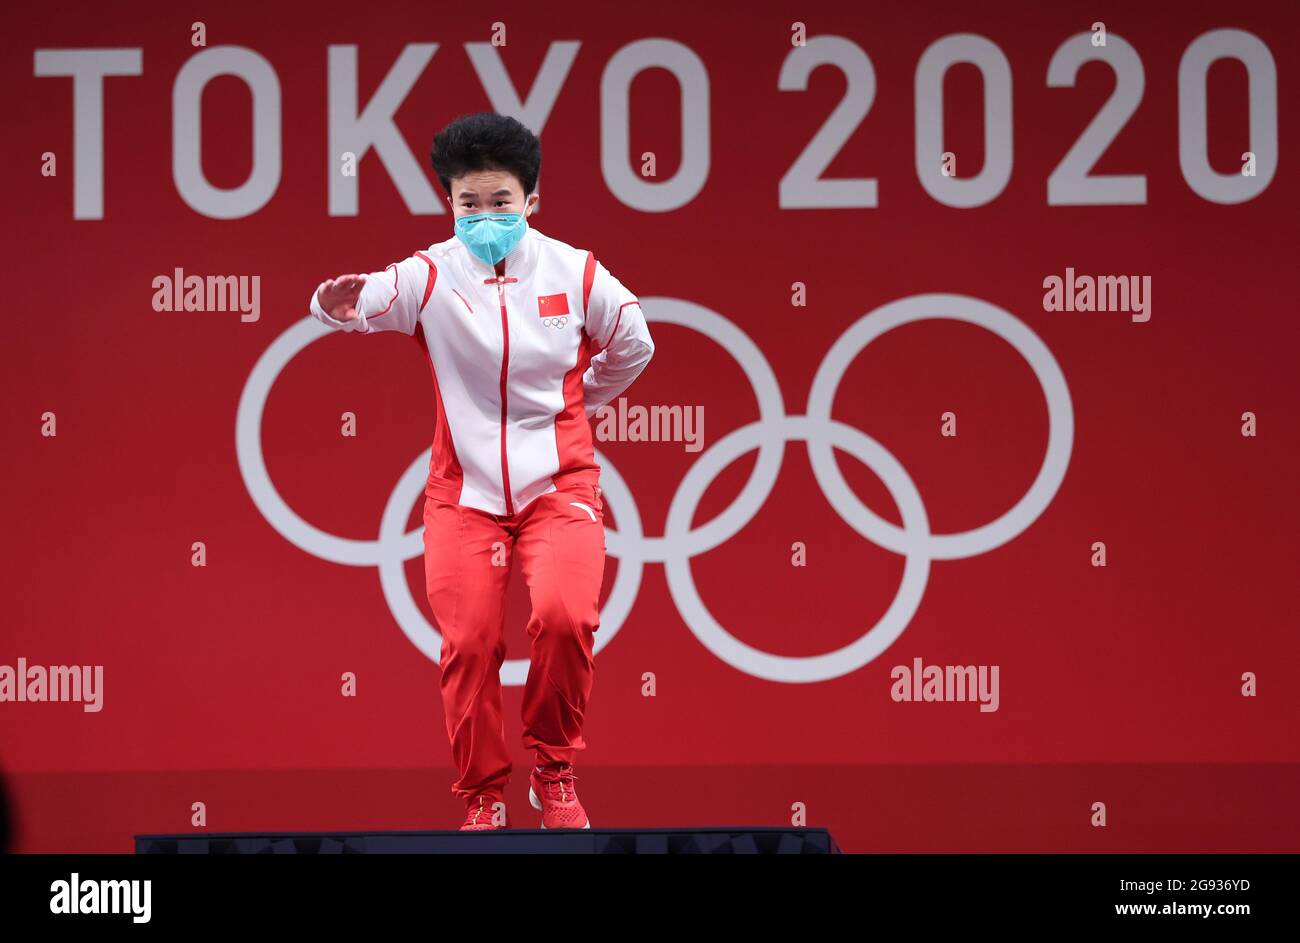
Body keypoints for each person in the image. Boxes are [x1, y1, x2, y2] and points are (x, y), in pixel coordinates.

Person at [308, 112, 654, 830]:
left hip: (560, 487)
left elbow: (634, 340)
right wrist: (334, 304)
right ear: (451, 205)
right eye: (469, 204)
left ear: (531, 201)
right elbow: (367, 298)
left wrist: (579, 402)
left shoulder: (575, 270)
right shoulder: (432, 273)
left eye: (501, 202)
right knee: (469, 642)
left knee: (564, 617)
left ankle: (553, 775)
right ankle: (482, 796)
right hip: (462, 497)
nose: (485, 217)